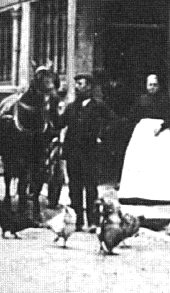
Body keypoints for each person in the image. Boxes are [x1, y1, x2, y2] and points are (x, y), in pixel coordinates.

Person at [117, 73, 170, 227]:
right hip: (143, 134)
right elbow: (133, 116)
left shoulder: (167, 100)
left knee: (159, 165)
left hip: (160, 135)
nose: (152, 88)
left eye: (155, 85)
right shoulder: (141, 100)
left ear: (159, 86)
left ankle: (162, 200)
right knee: (140, 164)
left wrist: (162, 126)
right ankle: (138, 199)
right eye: (150, 85)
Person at [57, 74, 116, 232]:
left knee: (91, 187)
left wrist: (101, 136)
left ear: (89, 87)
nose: (77, 87)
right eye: (76, 84)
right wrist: (56, 110)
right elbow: (60, 124)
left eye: (80, 84)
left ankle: (93, 221)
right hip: (73, 153)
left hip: (90, 153)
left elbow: (112, 122)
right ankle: (77, 221)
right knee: (74, 188)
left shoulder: (99, 106)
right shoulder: (71, 107)